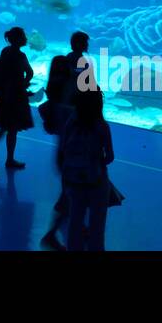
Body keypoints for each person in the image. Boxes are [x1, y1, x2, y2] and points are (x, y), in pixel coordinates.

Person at [57, 87, 114, 251]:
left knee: (75, 223)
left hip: (74, 182)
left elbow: (63, 150)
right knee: (97, 227)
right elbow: (110, 156)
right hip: (96, 182)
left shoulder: (71, 123)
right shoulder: (102, 126)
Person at [0, 26, 36, 169]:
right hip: (16, 97)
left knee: (5, 127)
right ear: (18, 39)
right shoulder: (20, 56)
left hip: (4, 96)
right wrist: (23, 85)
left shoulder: (5, 52)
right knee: (12, 129)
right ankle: (9, 159)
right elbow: (30, 72)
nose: (26, 38)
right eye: (23, 36)